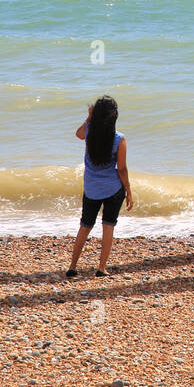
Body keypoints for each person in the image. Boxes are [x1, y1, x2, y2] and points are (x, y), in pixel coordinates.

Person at [66, 96, 133, 277]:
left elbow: (78, 134)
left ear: (95, 115)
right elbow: (122, 169)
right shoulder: (119, 139)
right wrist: (128, 190)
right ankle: (101, 268)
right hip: (113, 189)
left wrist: (89, 118)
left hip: (91, 189)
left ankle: (72, 267)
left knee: (85, 226)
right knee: (108, 226)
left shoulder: (88, 131)